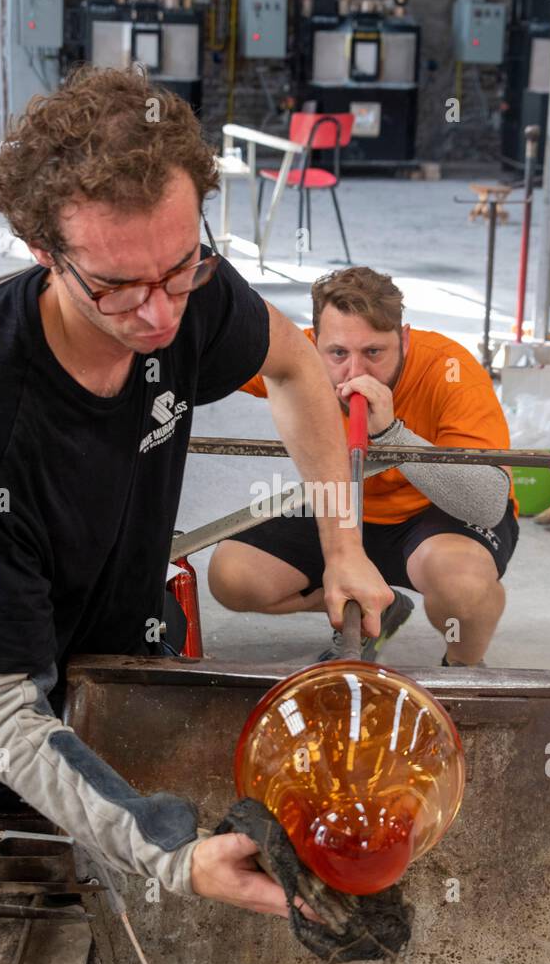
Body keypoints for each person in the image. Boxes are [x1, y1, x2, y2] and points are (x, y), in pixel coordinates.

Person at [0, 67, 393, 921]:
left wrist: (342, 545)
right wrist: (170, 855)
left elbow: (296, 364)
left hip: (116, 661)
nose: (158, 317)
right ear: (44, 252)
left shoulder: (177, 283)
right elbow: (1, 716)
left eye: (180, 269)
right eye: (116, 287)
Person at [209, 266, 518, 666]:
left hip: (431, 514)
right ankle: (378, 607)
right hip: (341, 505)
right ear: (313, 342)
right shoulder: (296, 359)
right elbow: (202, 357)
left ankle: (462, 671)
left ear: (403, 339)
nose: (355, 373)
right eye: (338, 353)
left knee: (464, 588)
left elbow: (486, 505)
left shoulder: (450, 369)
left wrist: (392, 433)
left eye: (374, 352)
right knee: (232, 576)